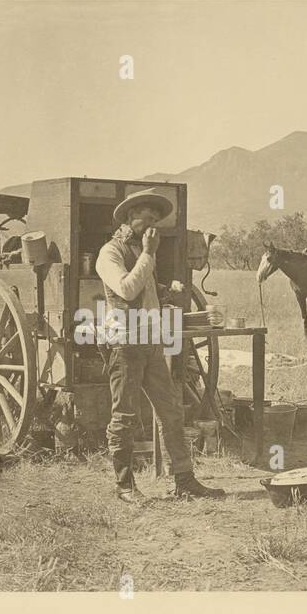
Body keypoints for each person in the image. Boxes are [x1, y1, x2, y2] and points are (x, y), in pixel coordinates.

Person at [95, 188, 226, 503]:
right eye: (145, 217)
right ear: (129, 218)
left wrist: (165, 292)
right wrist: (149, 253)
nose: (151, 224)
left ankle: (184, 480)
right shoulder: (109, 253)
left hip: (151, 342)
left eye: (156, 219)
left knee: (170, 411)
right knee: (125, 416)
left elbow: (144, 292)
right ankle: (125, 486)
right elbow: (126, 289)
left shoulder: (143, 251)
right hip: (125, 344)